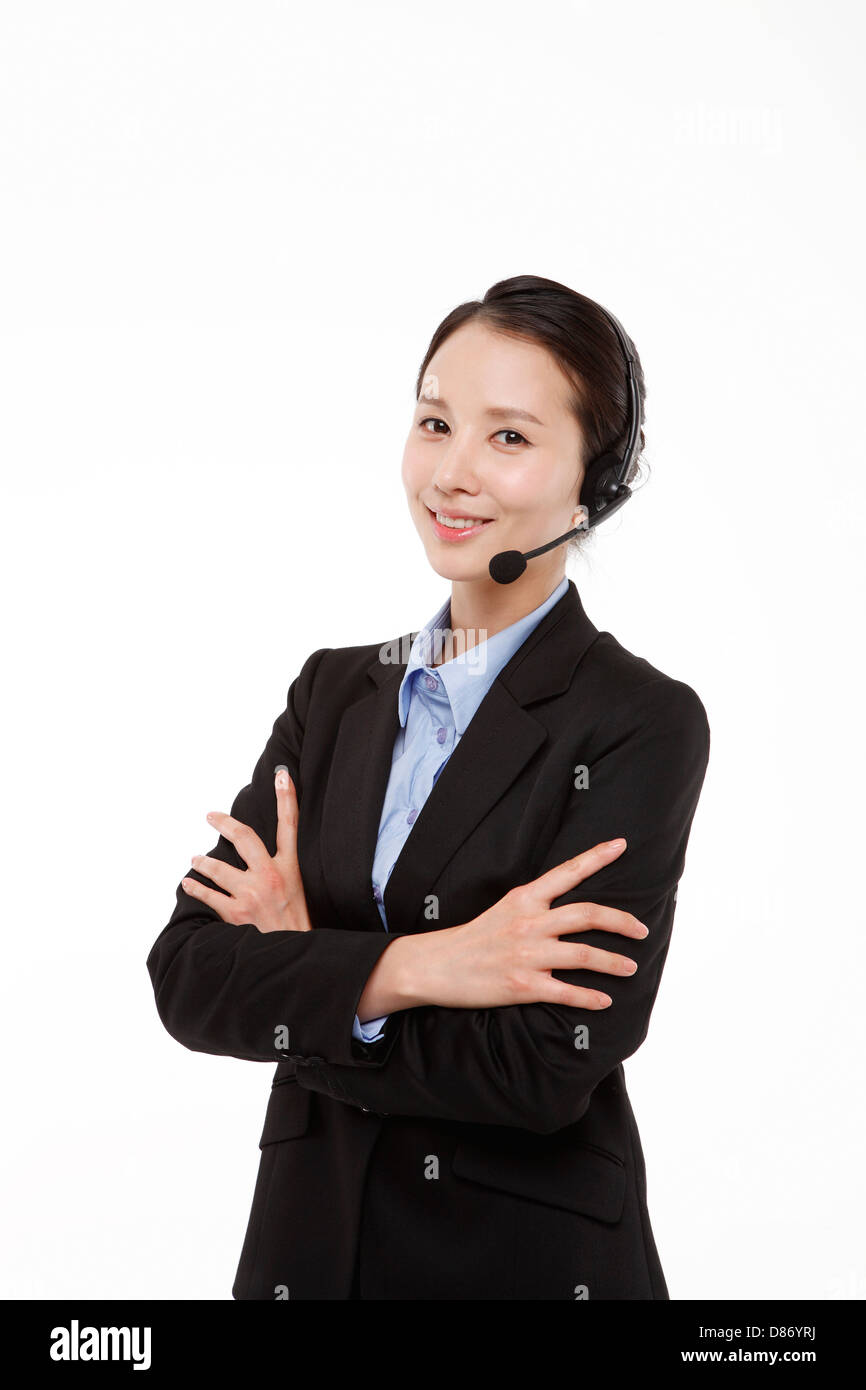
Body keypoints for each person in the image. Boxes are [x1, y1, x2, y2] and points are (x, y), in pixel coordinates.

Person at [146, 274, 711, 1300]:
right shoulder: (333, 693)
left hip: (518, 1268)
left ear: (594, 480)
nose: (450, 473)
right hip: (307, 1256)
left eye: (507, 437)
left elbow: (545, 1061)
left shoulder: (638, 720)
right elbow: (188, 975)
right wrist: (425, 965)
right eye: (434, 420)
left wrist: (310, 966)